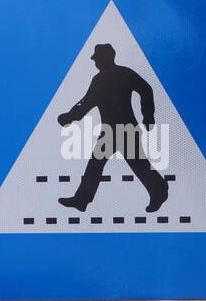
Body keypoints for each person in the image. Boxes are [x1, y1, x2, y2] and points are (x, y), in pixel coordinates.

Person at [56, 43, 168, 213]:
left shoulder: (122, 74)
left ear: (106, 58)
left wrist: (148, 116)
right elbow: (86, 102)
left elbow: (146, 90)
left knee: (138, 165)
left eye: (97, 59)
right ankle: (82, 199)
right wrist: (70, 117)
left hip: (125, 129)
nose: (95, 62)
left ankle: (159, 189)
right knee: (96, 164)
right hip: (109, 131)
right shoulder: (100, 79)